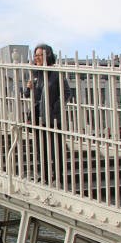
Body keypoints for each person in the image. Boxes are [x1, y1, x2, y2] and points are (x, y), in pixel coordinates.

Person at [23, 43, 70, 186]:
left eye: (39, 55)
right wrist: (28, 88)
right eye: (35, 55)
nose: (36, 58)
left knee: (57, 149)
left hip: (54, 118)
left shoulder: (56, 74)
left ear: (47, 56)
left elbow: (66, 93)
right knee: (41, 149)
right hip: (39, 117)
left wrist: (54, 108)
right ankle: (44, 176)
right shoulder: (36, 74)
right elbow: (28, 95)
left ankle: (59, 177)